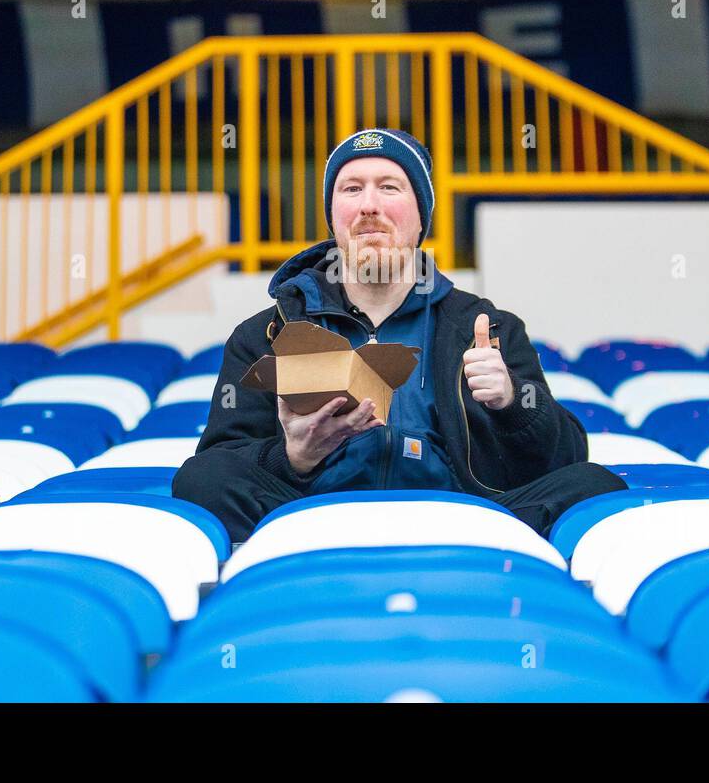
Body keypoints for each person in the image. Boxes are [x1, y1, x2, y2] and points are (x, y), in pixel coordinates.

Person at [172, 128, 625, 543]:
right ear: (334, 216)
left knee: (595, 484)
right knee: (200, 480)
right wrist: (294, 456)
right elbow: (219, 462)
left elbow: (565, 455)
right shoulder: (269, 330)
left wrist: (512, 402)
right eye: (352, 189)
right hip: (312, 513)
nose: (370, 204)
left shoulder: (486, 327)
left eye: (390, 187)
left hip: (463, 513)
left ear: (420, 216)